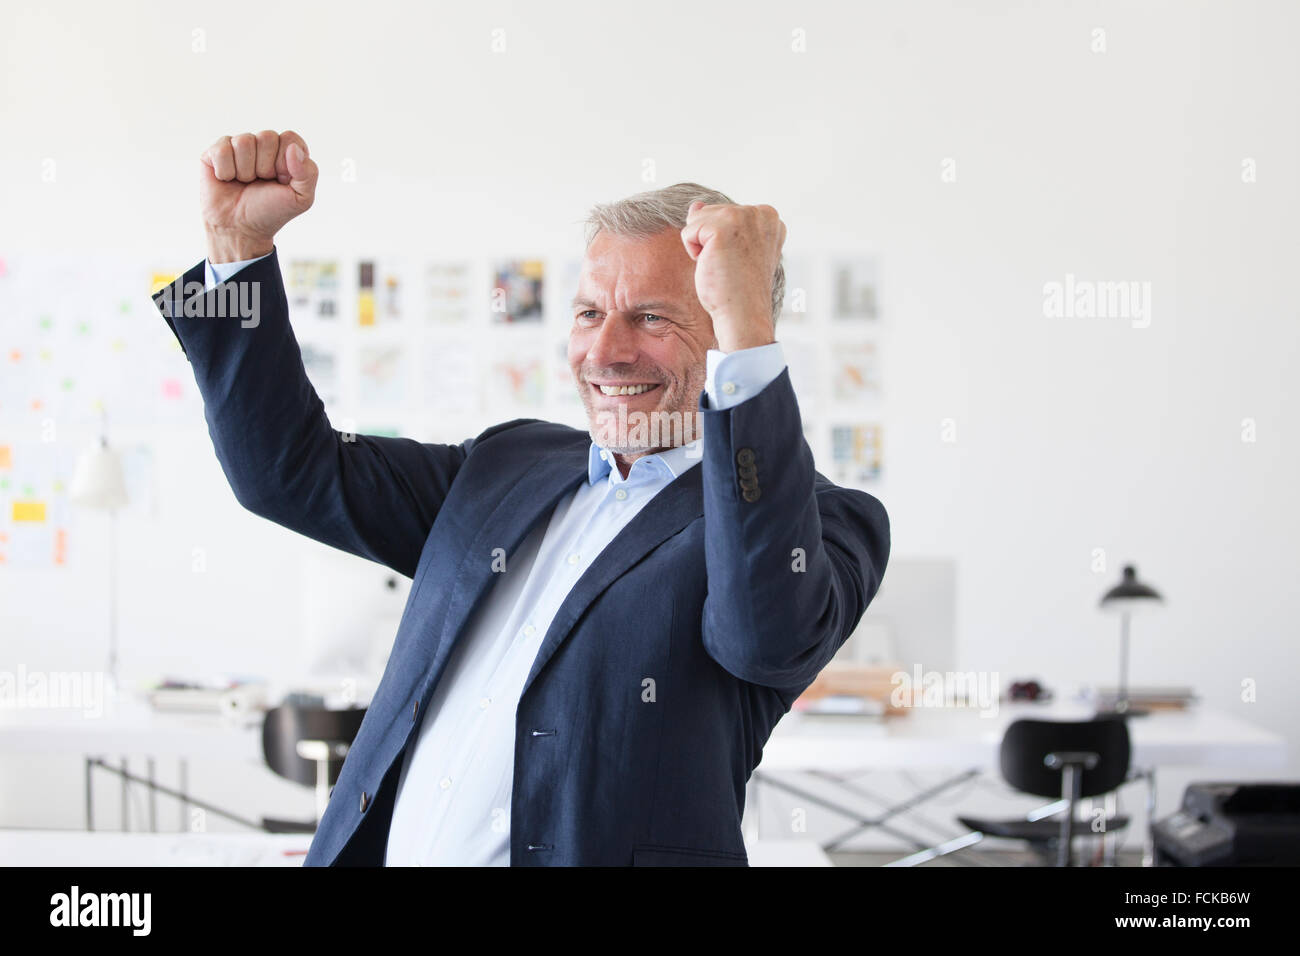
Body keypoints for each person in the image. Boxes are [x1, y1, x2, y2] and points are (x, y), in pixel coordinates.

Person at [153, 129, 890, 866]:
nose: (605, 353)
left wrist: (750, 336)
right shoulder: (509, 465)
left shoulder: (824, 523)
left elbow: (764, 639)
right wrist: (234, 251)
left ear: (729, 326)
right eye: (589, 314)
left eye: (652, 317)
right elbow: (288, 472)